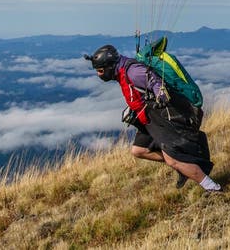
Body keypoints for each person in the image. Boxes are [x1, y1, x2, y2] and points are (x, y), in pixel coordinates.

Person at [85, 44, 221, 192]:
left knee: (173, 159)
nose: (99, 74)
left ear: (110, 66)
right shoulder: (122, 72)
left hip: (163, 117)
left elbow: (154, 81)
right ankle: (185, 165)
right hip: (148, 120)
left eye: (100, 70)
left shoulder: (133, 72)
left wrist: (160, 94)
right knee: (139, 150)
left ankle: (212, 187)